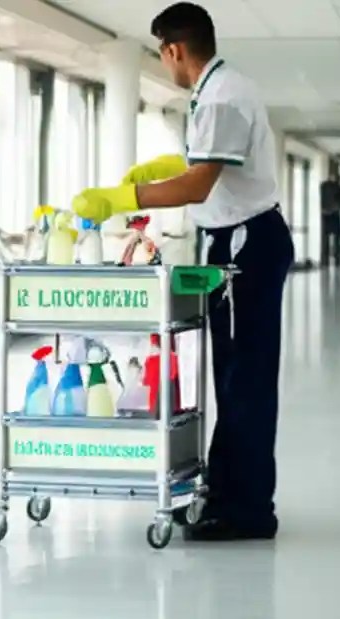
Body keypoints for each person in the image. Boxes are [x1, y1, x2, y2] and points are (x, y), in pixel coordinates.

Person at [71, 2, 293, 541]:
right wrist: (165, 169)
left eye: (161, 53)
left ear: (173, 49)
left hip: (245, 244)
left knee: (244, 380)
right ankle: (229, 492)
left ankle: (246, 511)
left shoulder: (220, 96)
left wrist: (124, 196)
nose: (163, 62)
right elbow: (207, 167)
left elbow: (198, 187)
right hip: (237, 240)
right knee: (236, 375)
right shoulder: (218, 89)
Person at [320, 166, 340, 266]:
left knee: (325, 239)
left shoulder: (323, 186)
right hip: (334, 215)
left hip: (325, 216)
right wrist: (335, 208)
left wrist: (325, 209)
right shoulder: (338, 187)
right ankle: (337, 261)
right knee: (337, 238)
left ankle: (325, 261)